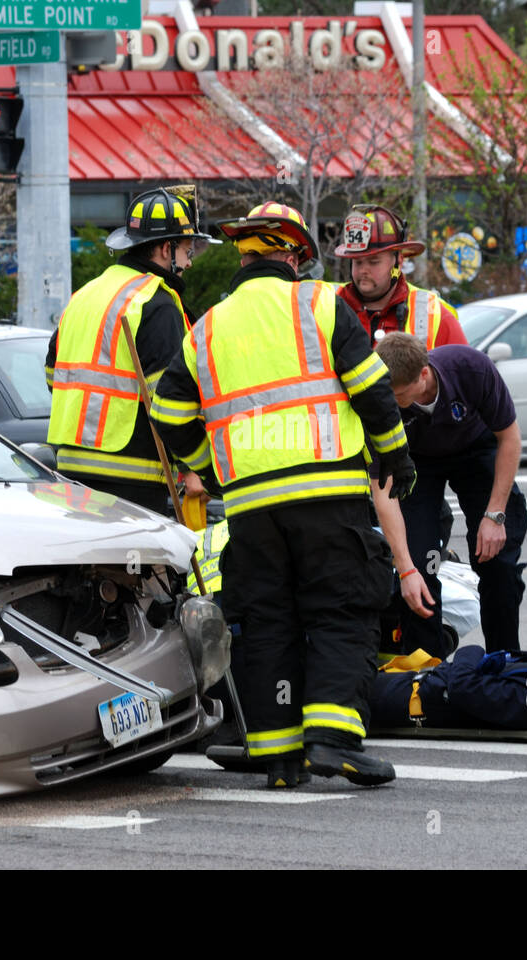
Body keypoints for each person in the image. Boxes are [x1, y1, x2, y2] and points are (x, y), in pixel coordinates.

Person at [150, 201, 417, 789]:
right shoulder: (322, 304)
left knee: (268, 622)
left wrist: (212, 468)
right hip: (328, 497)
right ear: (293, 254)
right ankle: (332, 740)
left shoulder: (208, 326)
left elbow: (168, 411)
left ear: (245, 257)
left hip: (250, 508)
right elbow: (372, 387)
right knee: (340, 611)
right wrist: (395, 456)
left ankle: (278, 758)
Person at [45, 188, 211, 513]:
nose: (189, 264)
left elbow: (54, 376)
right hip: (132, 477)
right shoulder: (156, 302)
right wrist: (193, 469)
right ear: (166, 249)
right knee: (139, 565)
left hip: (69, 472)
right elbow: (171, 400)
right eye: (188, 252)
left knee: (89, 564)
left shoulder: (86, 294)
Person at [374, 332, 527, 657]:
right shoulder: (379, 401)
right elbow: (383, 491)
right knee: (420, 568)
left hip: (476, 450)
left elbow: (510, 439)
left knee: (497, 561)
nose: (392, 403)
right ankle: (428, 670)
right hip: (416, 463)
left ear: (424, 375)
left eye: (399, 395)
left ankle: (504, 661)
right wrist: (405, 568)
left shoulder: (471, 369)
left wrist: (495, 515)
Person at [371, 598, 527, 732]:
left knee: (345, 690)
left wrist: (473, 651)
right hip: (424, 678)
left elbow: (465, 687)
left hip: (413, 696)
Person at [333, 204, 467, 349]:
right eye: (357, 262)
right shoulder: (330, 305)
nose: (363, 270)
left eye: (374, 262)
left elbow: (464, 367)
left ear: (399, 261)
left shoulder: (433, 314)